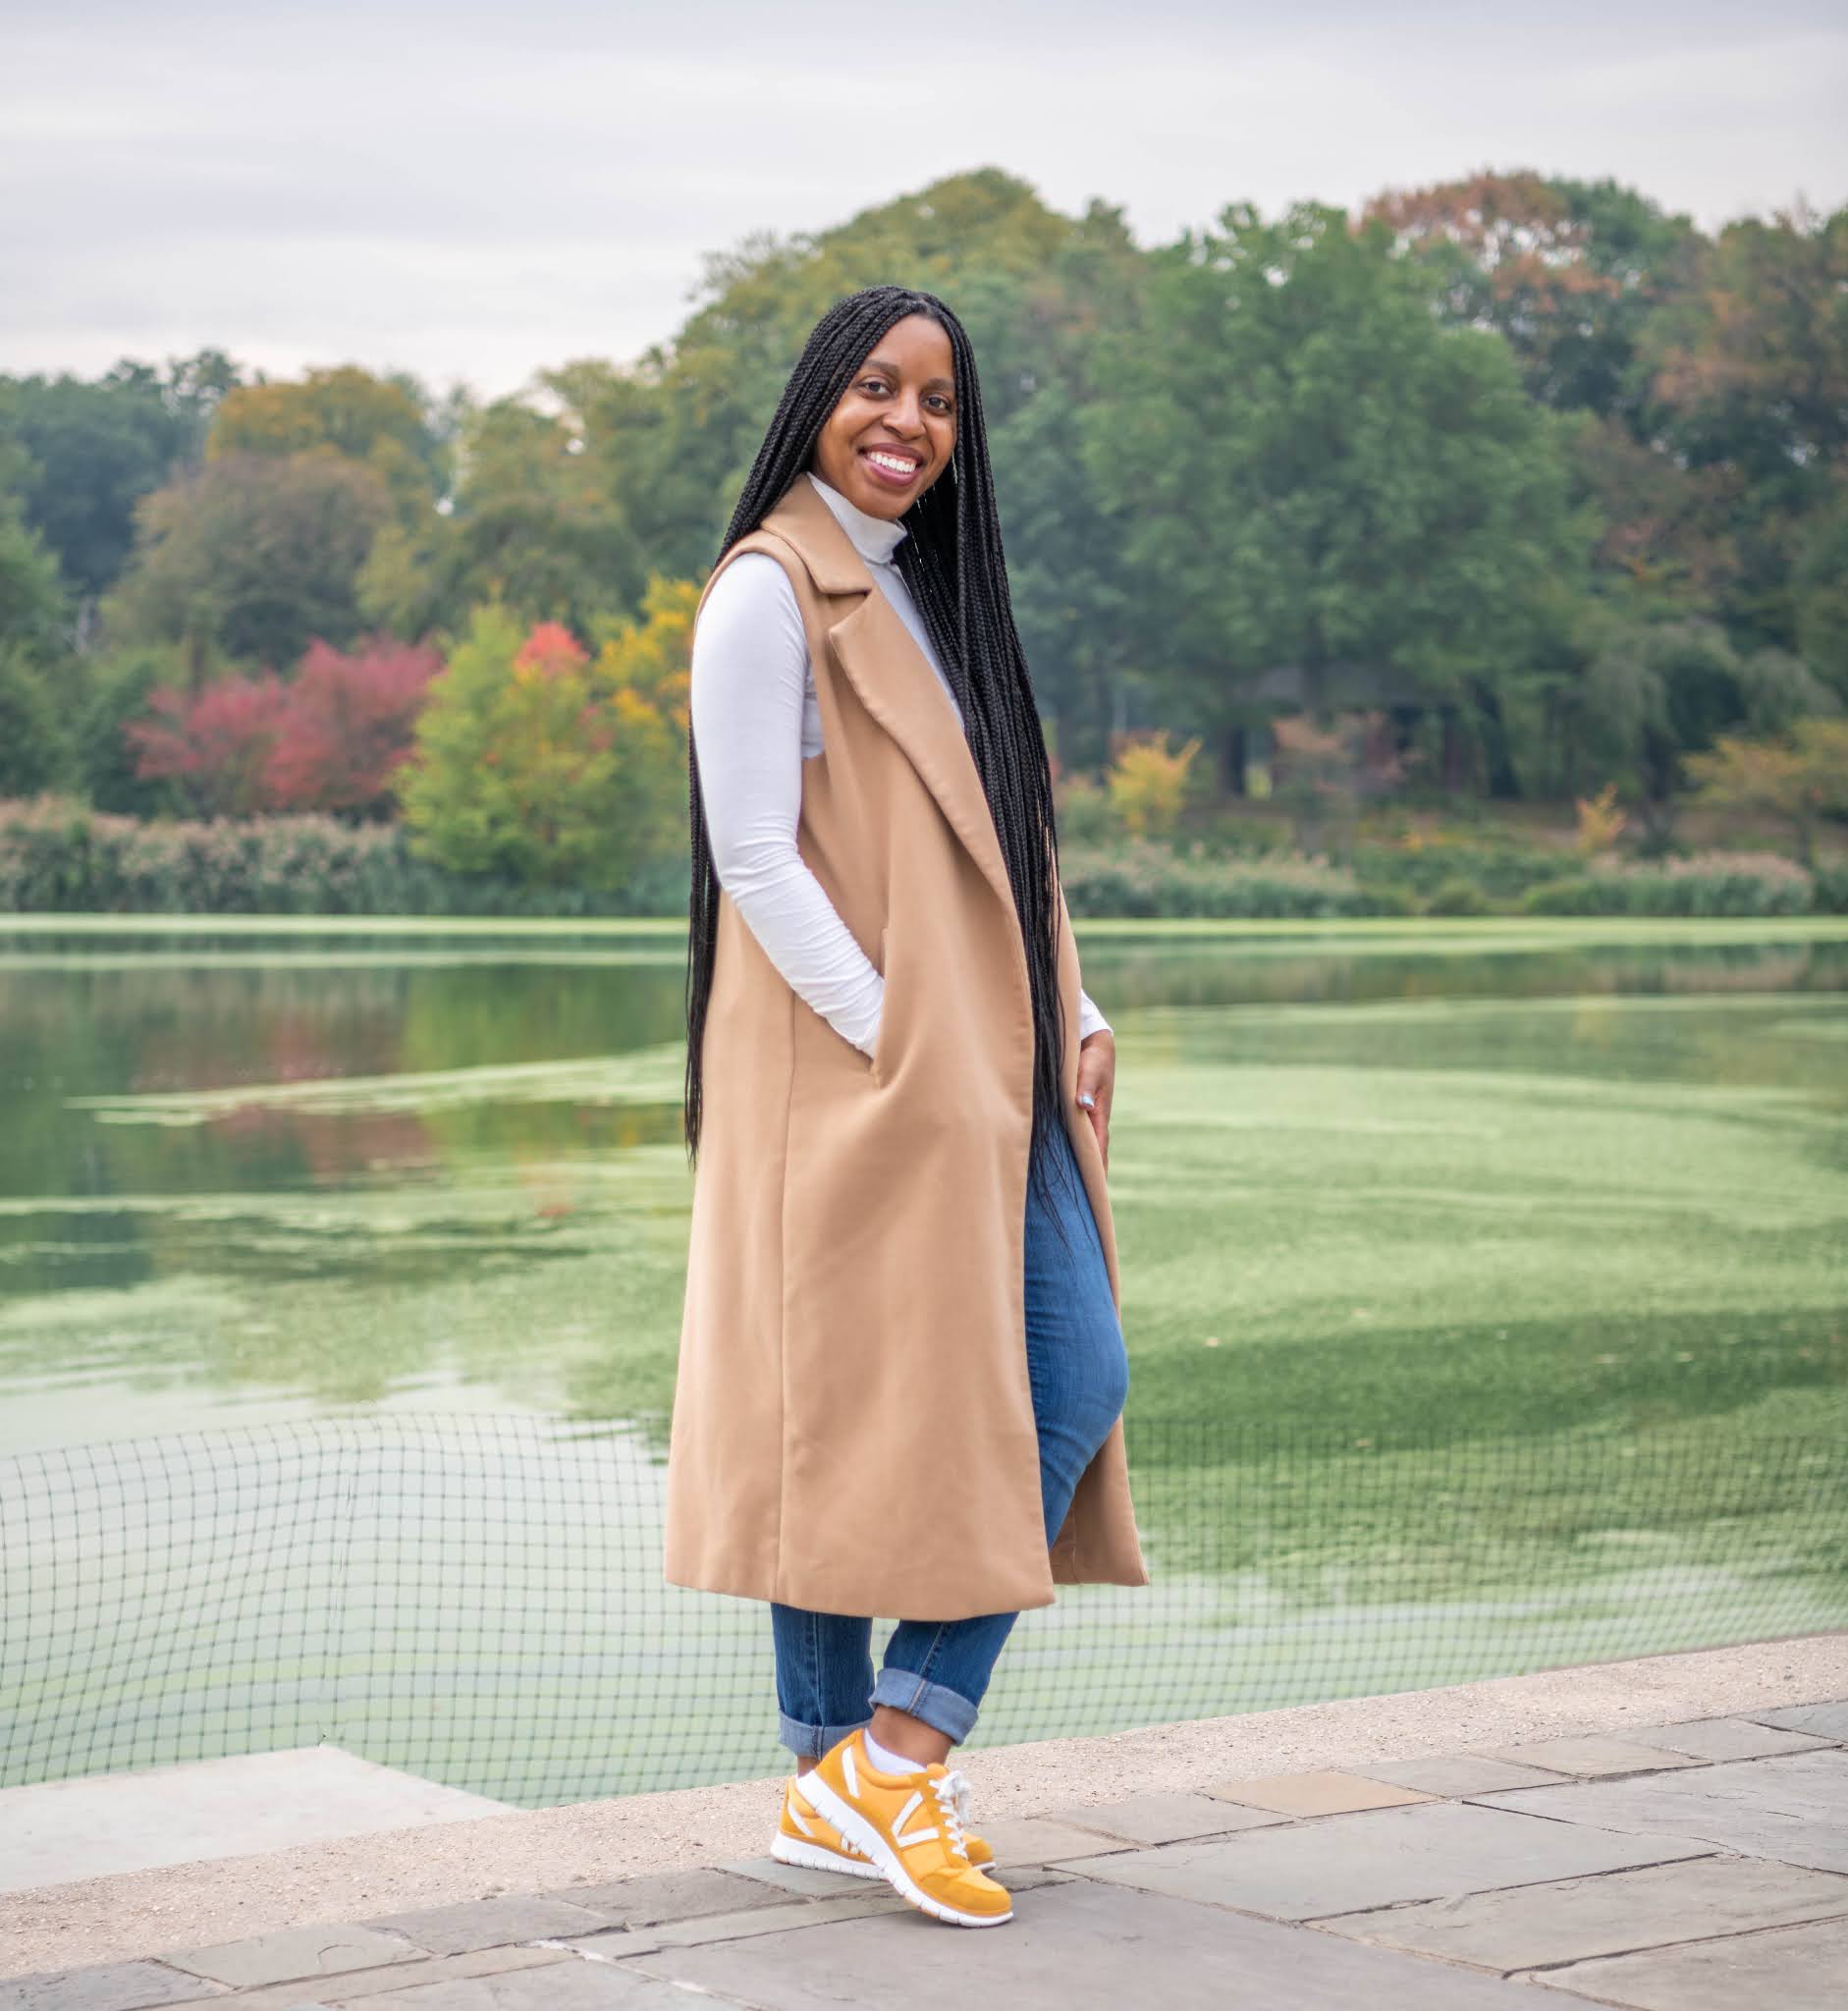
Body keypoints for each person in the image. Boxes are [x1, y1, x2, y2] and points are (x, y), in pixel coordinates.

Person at [669, 284, 1148, 1929]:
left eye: (938, 401)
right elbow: (755, 861)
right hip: (866, 1084)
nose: (907, 423)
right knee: (846, 1420)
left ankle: (852, 1766)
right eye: (878, 387)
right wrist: (900, 1043)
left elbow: (1003, 842)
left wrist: (1068, 1007)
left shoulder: (934, 596)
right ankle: (873, 1762)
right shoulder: (765, 595)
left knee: (1065, 1375)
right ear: (818, 397)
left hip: (984, 1075)